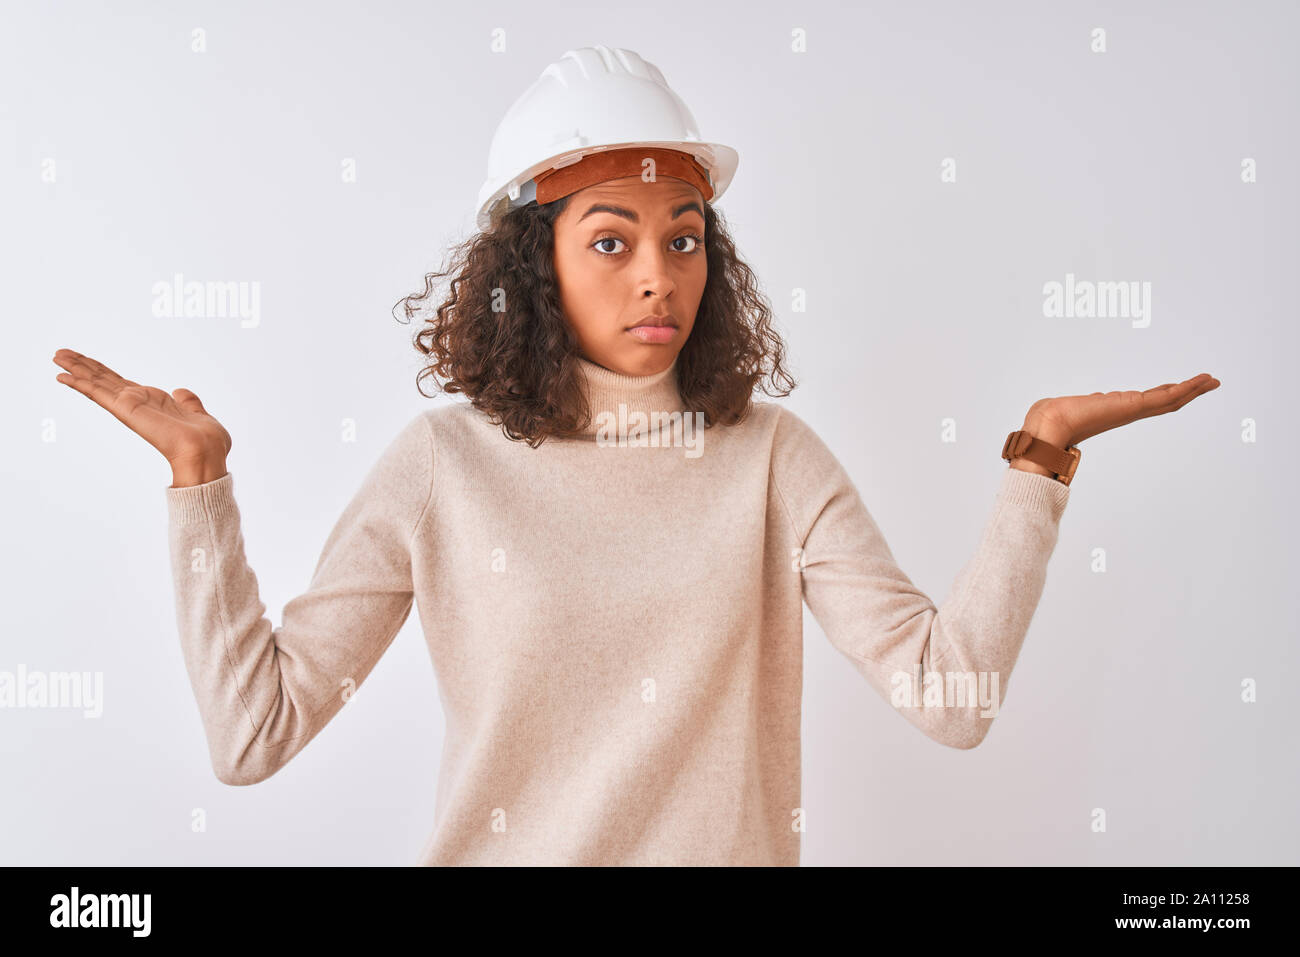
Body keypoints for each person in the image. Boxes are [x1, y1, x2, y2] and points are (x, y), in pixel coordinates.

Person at [50, 45, 1220, 866]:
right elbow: (254, 738)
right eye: (609, 239)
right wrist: (198, 487)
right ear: (531, 265)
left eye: (683, 237)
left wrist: (1040, 461)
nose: (657, 272)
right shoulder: (440, 467)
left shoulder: (772, 460)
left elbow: (949, 704)